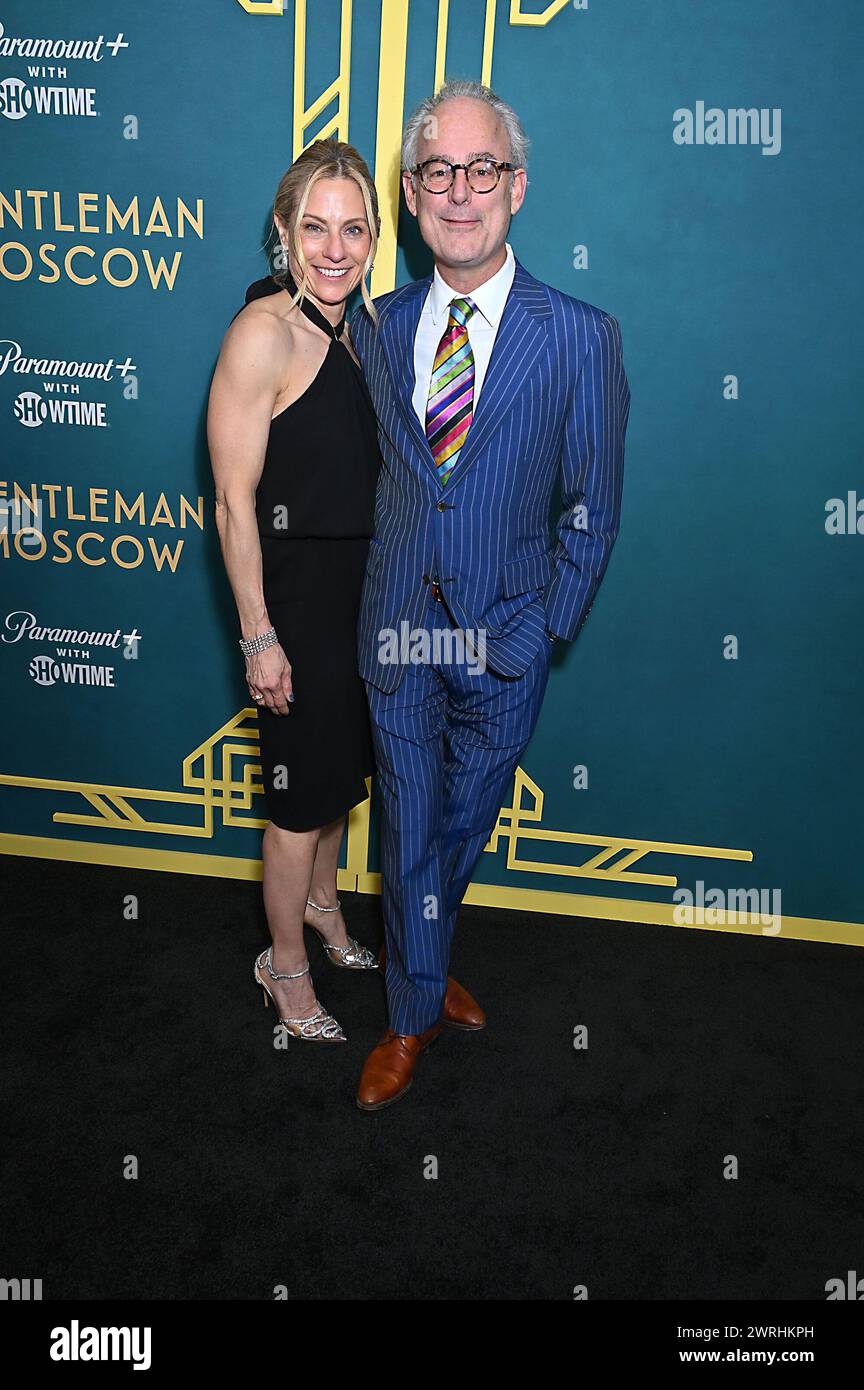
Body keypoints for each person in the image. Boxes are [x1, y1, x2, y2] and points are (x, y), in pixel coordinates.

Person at [350, 79, 631, 1109]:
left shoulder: (580, 336)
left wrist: (546, 626)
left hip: (507, 639)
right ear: (413, 191)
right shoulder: (375, 328)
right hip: (398, 634)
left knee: (456, 827)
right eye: (437, 172)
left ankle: (422, 950)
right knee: (411, 821)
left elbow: (594, 505)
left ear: (517, 186)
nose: (458, 192)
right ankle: (410, 1011)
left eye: (481, 170)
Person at [208, 140, 382, 1044]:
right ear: (283, 232)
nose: (334, 247)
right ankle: (283, 966)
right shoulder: (262, 333)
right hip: (297, 607)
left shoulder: (365, 328)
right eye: (314, 227)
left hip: (362, 599)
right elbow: (233, 502)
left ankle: (326, 910)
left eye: (353, 228)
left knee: (340, 786)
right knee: (295, 805)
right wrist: (258, 636)